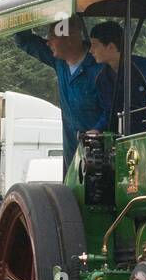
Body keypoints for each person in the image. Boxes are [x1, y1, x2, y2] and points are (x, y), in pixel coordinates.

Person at [12, 17, 110, 171]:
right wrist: (36, 13)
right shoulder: (59, 62)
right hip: (71, 157)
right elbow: (24, 40)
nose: (47, 42)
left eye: (52, 37)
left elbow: (112, 108)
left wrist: (97, 129)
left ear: (68, 40)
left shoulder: (100, 69)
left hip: (99, 158)